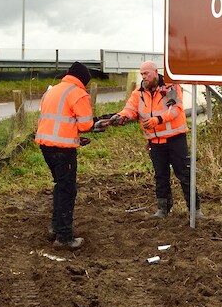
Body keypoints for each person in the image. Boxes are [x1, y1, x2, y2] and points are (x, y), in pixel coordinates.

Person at [110, 61, 202, 219]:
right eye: (141, 74)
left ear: (155, 72)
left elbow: (175, 109)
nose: (143, 77)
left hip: (175, 139)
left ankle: (195, 210)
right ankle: (163, 209)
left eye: (146, 73)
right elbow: (130, 109)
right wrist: (121, 116)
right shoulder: (138, 92)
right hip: (155, 142)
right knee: (160, 176)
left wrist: (157, 120)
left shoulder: (171, 87)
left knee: (184, 174)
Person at [35, 62, 95, 249]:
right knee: (67, 190)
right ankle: (64, 237)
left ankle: (55, 227)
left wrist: (73, 135)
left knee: (60, 186)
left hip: (46, 146)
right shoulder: (78, 93)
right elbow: (86, 124)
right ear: (83, 80)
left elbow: (57, 119)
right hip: (63, 150)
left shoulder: (52, 91)